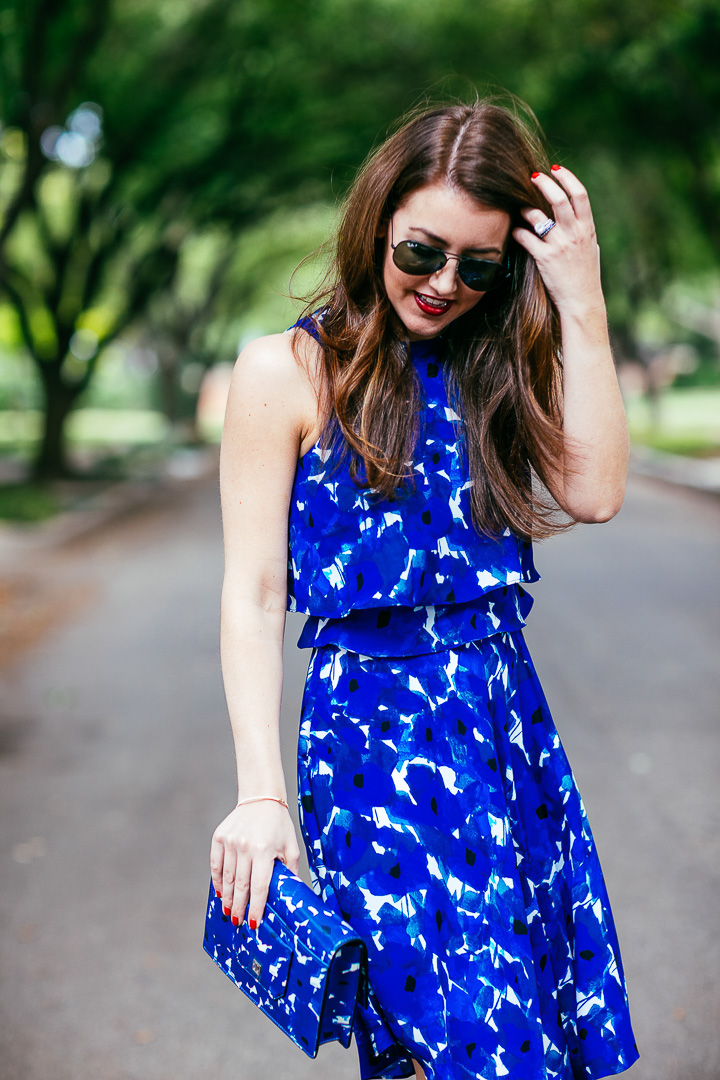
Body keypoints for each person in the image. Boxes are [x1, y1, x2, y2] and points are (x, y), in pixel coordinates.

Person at [210, 97, 640, 1080]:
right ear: (377, 222)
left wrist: (580, 297)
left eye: (477, 267)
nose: (445, 285)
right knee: (454, 1030)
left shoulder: (496, 361)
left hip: (501, 724)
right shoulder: (285, 372)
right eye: (422, 253)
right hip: (371, 749)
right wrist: (259, 793)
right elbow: (252, 592)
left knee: (515, 1020)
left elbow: (598, 490)